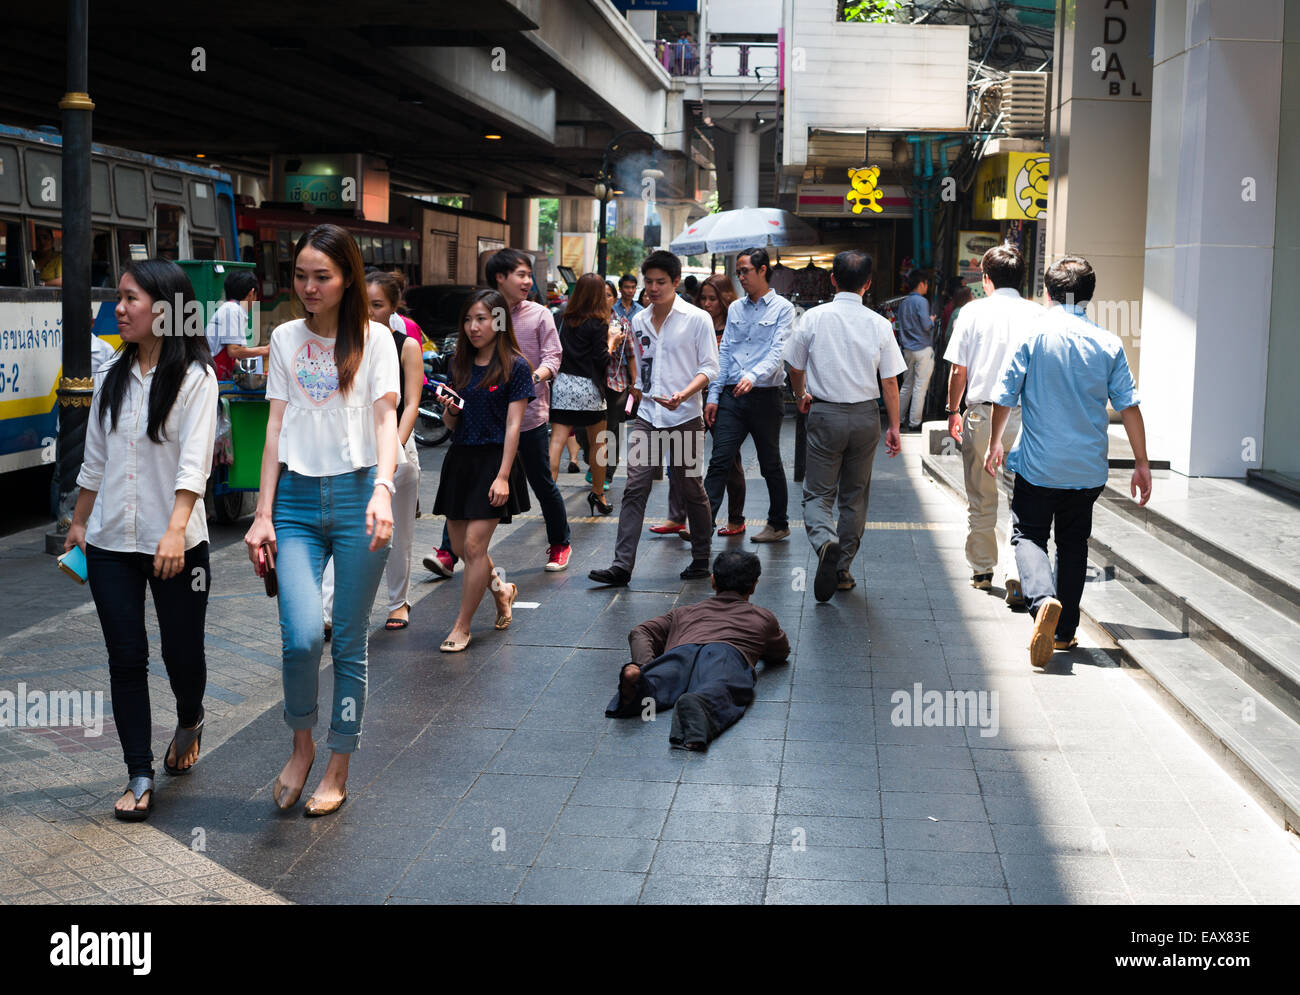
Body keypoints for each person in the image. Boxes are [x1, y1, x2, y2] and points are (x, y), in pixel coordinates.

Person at [243, 224, 399, 817]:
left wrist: (384, 489)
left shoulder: (376, 340)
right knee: (302, 637)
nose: (308, 287)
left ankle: (339, 761)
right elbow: (275, 428)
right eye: (300, 276)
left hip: (363, 495)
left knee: (352, 643)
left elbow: (386, 423)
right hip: (296, 505)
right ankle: (301, 746)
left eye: (322, 277)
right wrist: (262, 514)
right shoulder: (284, 338)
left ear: (347, 277)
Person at [66, 259, 218, 820]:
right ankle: (138, 770)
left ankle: (191, 715)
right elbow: (96, 458)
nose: (119, 309)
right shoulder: (111, 373)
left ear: (165, 307)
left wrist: (175, 532)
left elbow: (194, 466)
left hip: (177, 543)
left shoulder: (197, 377)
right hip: (110, 543)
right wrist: (79, 523)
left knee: (183, 654)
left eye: (130, 298)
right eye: (118, 298)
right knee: (126, 656)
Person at [985, 255, 1151, 668]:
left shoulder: (1033, 335)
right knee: (1074, 544)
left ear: (1048, 292)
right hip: (1087, 468)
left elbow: (1004, 397)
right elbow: (1128, 406)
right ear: (1090, 296)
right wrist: (1142, 463)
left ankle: (1043, 601)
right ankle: (1063, 632)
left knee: (1028, 535)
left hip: (1040, 464)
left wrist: (993, 444)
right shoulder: (1108, 343)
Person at [424, 249, 570, 577]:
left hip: (528, 418)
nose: (527, 281)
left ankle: (560, 541)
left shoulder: (539, 314)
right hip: (484, 421)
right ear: (500, 278)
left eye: (529, 275)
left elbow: (553, 356)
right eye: (521, 274)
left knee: (541, 481)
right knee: (467, 484)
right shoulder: (484, 314)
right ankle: (449, 552)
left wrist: (532, 378)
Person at [589, 250, 719, 586]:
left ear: (676, 281)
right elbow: (640, 362)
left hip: (686, 417)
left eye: (661, 282)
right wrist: (634, 387)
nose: (653, 288)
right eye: (649, 282)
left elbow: (710, 367)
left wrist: (685, 394)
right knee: (635, 487)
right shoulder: (640, 320)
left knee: (691, 488)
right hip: (648, 414)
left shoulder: (697, 319)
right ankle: (622, 565)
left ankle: (702, 557)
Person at [786, 251, 904, 602]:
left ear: (832, 279)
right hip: (866, 417)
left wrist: (800, 394)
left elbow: (793, 364)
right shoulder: (880, 324)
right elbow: (890, 383)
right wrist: (894, 426)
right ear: (868, 284)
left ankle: (825, 541)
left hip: (825, 414)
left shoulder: (812, 318)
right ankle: (842, 569)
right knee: (855, 496)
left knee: (819, 494)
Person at [433, 289, 535, 653]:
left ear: (499, 321)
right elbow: (450, 421)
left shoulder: (515, 366)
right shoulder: (458, 363)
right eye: (468, 320)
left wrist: (504, 475)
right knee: (461, 547)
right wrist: (451, 409)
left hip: (494, 461)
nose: (473, 327)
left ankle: (462, 626)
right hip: (460, 460)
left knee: (475, 546)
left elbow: (514, 426)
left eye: (481, 319)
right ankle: (502, 590)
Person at [605, 551, 789, 750]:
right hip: (726, 654)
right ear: (754, 586)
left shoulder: (684, 612)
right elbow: (781, 652)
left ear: (713, 581)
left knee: (660, 681)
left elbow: (640, 631)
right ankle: (700, 704)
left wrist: (645, 664)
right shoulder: (762, 617)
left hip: (680, 652)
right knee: (720, 687)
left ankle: (641, 682)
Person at [944, 244, 1043, 599]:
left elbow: (959, 370)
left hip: (982, 414)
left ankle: (983, 569)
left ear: (986, 279)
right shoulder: (1038, 314)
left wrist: (953, 410)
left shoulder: (971, 313)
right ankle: (1020, 575)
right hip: (1028, 417)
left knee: (981, 494)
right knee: (1024, 498)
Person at [703, 247, 794, 543]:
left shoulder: (783, 308)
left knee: (770, 464)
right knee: (720, 460)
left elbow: (778, 352)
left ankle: (778, 523)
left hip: (766, 395)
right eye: (738, 272)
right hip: (732, 394)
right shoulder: (737, 309)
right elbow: (725, 351)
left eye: (745, 271)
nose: (740, 277)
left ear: (763, 270)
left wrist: (752, 377)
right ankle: (703, 524)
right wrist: (714, 394)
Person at [658, 274, 745, 537]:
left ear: (725, 299)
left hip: (724, 400)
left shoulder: (734, 326)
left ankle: (735, 519)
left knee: (728, 461)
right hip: (693, 397)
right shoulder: (694, 323)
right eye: (704, 298)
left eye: (713, 298)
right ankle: (677, 516)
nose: (707, 303)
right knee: (680, 458)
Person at [548, 273, 614, 514]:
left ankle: (550, 500)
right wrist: (612, 342)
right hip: (589, 389)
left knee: (556, 441)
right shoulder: (599, 323)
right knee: (599, 443)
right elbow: (602, 358)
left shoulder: (562, 319)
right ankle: (599, 495)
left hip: (563, 385)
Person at [604, 278, 640, 485]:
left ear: (614, 298)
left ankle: (607, 472)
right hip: (593, 384)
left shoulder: (623, 323)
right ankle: (593, 461)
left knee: (613, 427)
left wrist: (634, 382)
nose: (603, 300)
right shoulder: (589, 323)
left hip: (618, 380)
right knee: (585, 429)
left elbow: (632, 355)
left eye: (607, 296)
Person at [204, 269, 269, 381]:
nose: (255, 301)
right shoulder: (233, 310)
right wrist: (266, 350)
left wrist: (244, 370)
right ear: (251, 293)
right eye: (255, 296)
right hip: (210, 375)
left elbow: (227, 351)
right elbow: (233, 350)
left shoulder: (230, 308)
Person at [895, 268, 936, 431]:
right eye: (926, 284)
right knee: (920, 386)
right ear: (921, 284)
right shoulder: (922, 302)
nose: (927, 287)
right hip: (923, 349)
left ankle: (898, 419)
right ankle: (914, 422)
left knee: (906, 385)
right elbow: (926, 326)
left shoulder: (904, 303)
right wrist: (932, 320)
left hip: (907, 350)